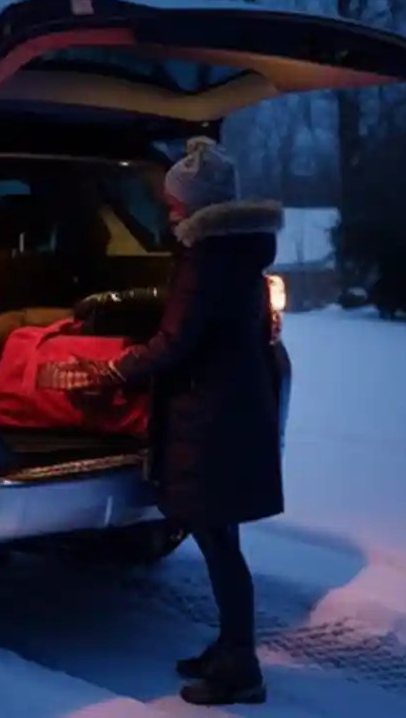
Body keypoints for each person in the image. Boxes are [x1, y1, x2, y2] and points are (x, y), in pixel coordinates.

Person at [37, 136, 286, 706]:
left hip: (211, 415)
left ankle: (240, 669)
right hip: (234, 407)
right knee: (221, 538)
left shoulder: (206, 258)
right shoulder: (236, 252)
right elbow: (191, 320)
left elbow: (176, 342)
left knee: (218, 541)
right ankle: (229, 646)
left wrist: (115, 370)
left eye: (175, 202)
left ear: (196, 205)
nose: (168, 209)